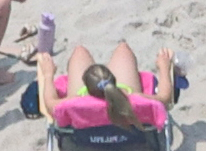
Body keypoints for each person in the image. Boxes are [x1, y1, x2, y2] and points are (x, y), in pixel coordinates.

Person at [35, 41, 177, 130]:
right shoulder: (136, 100)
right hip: (131, 134)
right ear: (113, 79)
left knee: (79, 51)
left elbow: (50, 104)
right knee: (123, 48)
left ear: (87, 87)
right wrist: (164, 68)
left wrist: (48, 75)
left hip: (84, 135)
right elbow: (164, 98)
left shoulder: (73, 104)